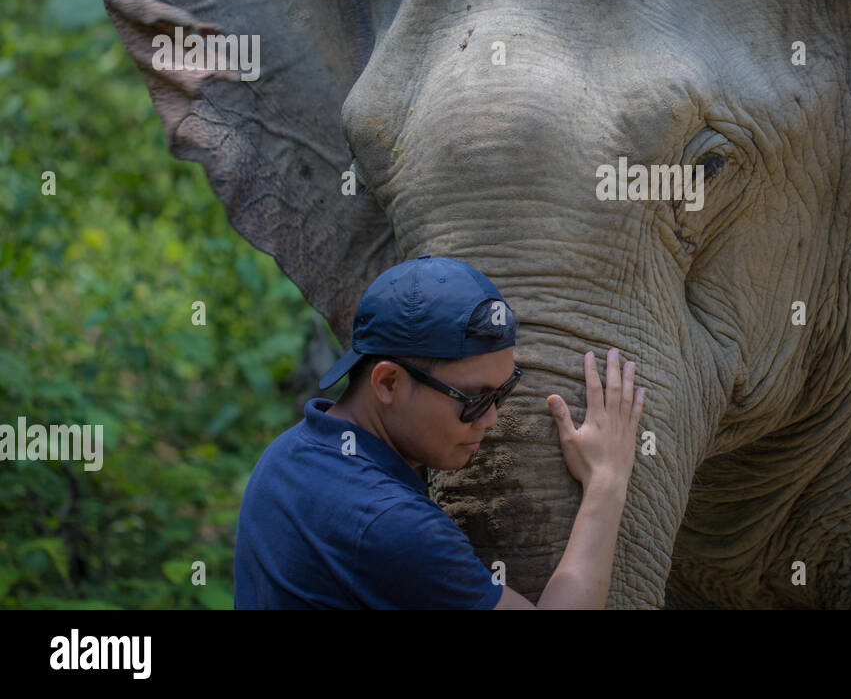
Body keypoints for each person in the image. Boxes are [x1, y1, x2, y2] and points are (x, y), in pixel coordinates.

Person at [233, 254, 646, 609]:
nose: (490, 419)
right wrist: (607, 482)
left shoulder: (287, 453)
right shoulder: (390, 526)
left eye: (504, 391)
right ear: (388, 383)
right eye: (473, 399)